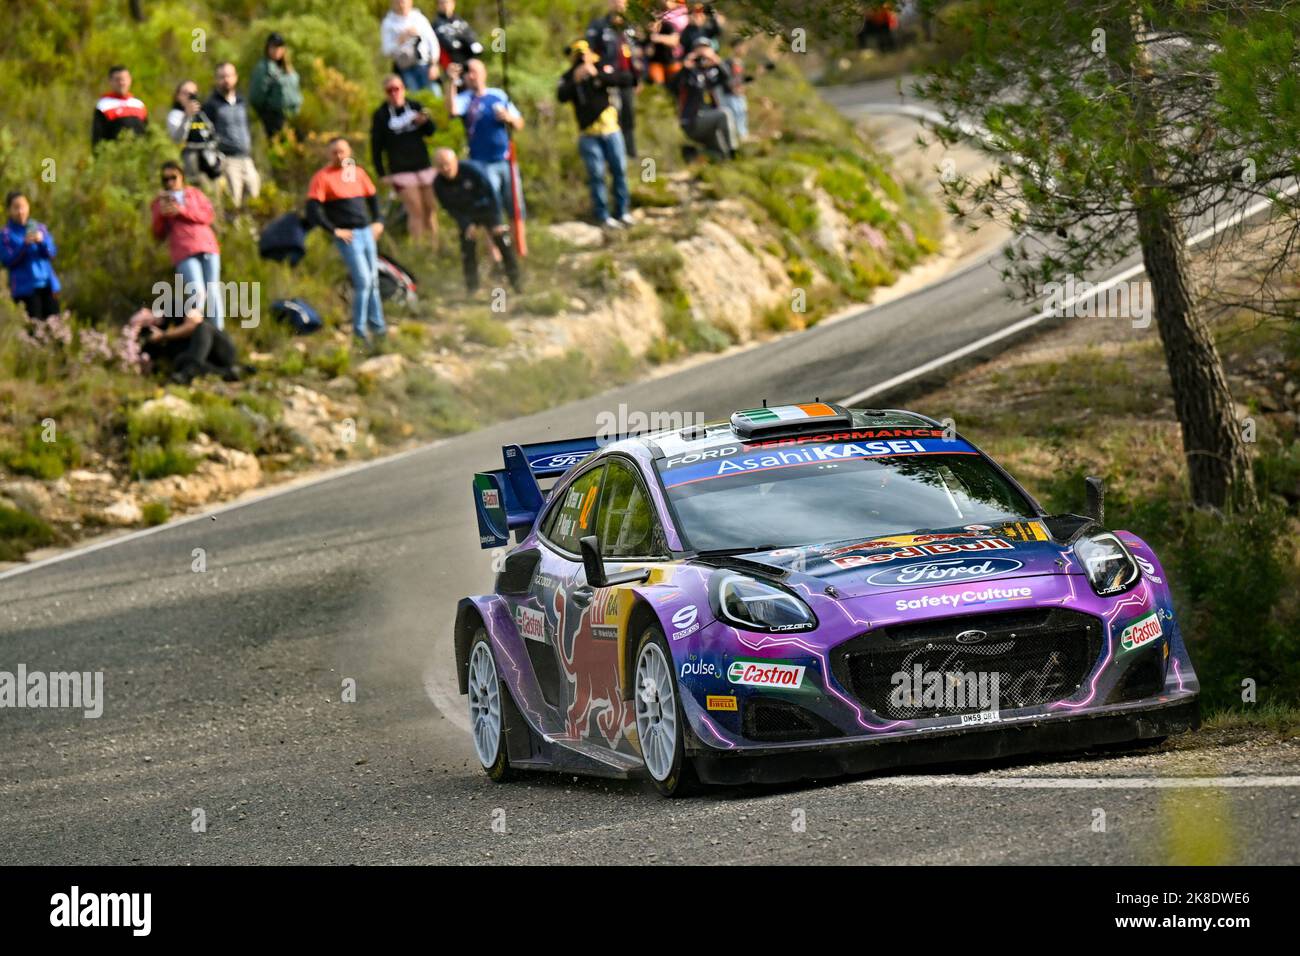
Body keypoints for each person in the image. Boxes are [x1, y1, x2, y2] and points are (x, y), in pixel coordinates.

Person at [305, 138, 387, 346]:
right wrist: (334, 230)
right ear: (328, 155)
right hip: (348, 236)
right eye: (334, 153)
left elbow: (373, 198)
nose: (339, 156)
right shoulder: (322, 178)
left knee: (374, 282)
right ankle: (360, 332)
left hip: (366, 232)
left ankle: (378, 328)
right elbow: (313, 210)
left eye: (342, 151)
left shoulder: (358, 173)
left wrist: (378, 221)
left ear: (349, 152)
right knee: (364, 282)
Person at [558, 40, 634, 229]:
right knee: (596, 175)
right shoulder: (569, 76)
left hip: (611, 130)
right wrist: (575, 80)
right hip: (588, 134)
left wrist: (597, 74)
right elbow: (561, 96)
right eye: (578, 56)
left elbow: (627, 79)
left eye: (584, 54)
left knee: (619, 171)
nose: (582, 60)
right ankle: (602, 216)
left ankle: (622, 212)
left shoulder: (602, 68)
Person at [432, 148, 520, 295]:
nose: (446, 169)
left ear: (455, 161)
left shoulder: (472, 170)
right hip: (466, 215)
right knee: (467, 246)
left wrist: (497, 221)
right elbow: (449, 208)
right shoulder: (438, 184)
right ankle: (472, 288)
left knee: (502, 241)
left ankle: (516, 284)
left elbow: (492, 193)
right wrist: (466, 224)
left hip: (487, 208)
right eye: (441, 166)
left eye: (448, 164)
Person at [150, 162, 224, 330]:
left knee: (213, 293)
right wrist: (161, 214)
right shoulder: (159, 202)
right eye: (165, 179)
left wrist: (182, 211)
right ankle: (194, 332)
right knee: (197, 292)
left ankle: (218, 335)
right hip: (184, 251)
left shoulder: (194, 194)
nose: (169, 182)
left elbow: (208, 215)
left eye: (173, 177)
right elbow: (157, 233)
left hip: (208, 247)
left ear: (181, 176)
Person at [452, 59, 525, 221]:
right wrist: (451, 82)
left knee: (516, 209)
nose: (471, 76)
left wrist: (508, 118)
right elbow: (452, 110)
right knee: (491, 211)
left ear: (484, 73)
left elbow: (519, 123)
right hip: (482, 164)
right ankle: (494, 247)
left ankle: (520, 245)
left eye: (474, 72)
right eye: (468, 73)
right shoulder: (464, 99)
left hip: (506, 160)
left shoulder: (498, 95)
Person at [371, 75, 438, 249]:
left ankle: (434, 249)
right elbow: (376, 147)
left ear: (403, 88)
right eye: (389, 90)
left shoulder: (415, 107)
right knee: (416, 210)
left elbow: (431, 131)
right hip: (401, 170)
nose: (394, 93)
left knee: (431, 209)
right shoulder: (381, 115)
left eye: (397, 88)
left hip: (423, 166)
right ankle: (419, 249)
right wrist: (382, 174)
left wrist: (425, 122)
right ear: (385, 93)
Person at [585, 0, 643, 156]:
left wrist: (639, 78)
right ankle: (615, 155)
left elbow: (637, 54)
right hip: (608, 80)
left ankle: (630, 153)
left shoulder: (631, 27)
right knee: (614, 116)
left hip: (627, 79)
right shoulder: (599, 26)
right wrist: (592, 70)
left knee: (628, 115)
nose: (618, 3)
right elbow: (588, 50)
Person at [204, 62, 261, 209]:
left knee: (254, 198)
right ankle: (234, 231)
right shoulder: (211, 105)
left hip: (246, 158)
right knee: (233, 203)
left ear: (235, 77)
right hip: (228, 161)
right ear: (216, 80)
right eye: (222, 77)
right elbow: (205, 134)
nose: (226, 80)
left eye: (229, 76)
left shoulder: (242, 102)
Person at [671, 37, 739, 160]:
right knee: (725, 114)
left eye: (705, 49)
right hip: (693, 120)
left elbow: (727, 77)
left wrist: (716, 61)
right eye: (699, 49)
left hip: (709, 121)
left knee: (721, 156)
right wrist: (686, 68)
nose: (702, 54)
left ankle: (695, 154)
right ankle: (733, 151)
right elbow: (673, 85)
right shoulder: (689, 73)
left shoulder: (710, 73)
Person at [1, 192, 61, 321]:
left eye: (23, 206)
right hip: (25, 290)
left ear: (28, 207)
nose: (20, 211)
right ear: (9, 210)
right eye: (16, 207)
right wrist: (24, 245)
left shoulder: (39, 228)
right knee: (35, 331)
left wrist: (42, 242)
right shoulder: (6, 234)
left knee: (56, 330)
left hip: (48, 286)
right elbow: (7, 261)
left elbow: (52, 252)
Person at [141, 308, 242, 384]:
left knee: (202, 326)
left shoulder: (173, 307)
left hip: (222, 350)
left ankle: (189, 372)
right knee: (180, 360)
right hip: (209, 362)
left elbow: (194, 322)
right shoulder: (159, 343)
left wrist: (164, 335)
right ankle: (228, 373)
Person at [166, 80, 222, 187]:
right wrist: (187, 116)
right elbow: (178, 139)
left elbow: (213, 135)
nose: (190, 96)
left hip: (209, 163)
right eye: (185, 93)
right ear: (177, 96)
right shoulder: (175, 115)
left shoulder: (203, 114)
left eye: (193, 93)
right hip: (189, 164)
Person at [249, 33, 303, 138]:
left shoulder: (287, 68)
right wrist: (266, 115)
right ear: (267, 48)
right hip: (273, 118)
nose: (276, 50)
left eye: (279, 47)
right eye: (273, 47)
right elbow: (256, 97)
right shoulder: (263, 68)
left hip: (292, 117)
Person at [380, 0, 441, 94]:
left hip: (425, 65)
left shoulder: (419, 18)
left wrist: (434, 64)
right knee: (416, 98)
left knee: (435, 95)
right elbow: (386, 50)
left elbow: (432, 41)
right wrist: (400, 40)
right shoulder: (388, 23)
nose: (401, 3)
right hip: (406, 69)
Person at [432, 0, 483, 93]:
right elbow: (436, 48)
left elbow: (475, 45)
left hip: (468, 64)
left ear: (453, 4)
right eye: (442, 3)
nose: (445, 5)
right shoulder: (435, 26)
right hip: (451, 65)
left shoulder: (461, 22)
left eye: (447, 2)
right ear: (438, 5)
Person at [92, 65, 148, 147]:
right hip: (116, 155)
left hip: (140, 154)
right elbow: (97, 137)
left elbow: (148, 131)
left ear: (130, 80)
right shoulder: (104, 106)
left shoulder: (138, 104)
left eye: (124, 79)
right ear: (110, 81)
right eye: (117, 80)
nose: (122, 83)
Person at [646, 0, 689, 86]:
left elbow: (674, 40)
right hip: (656, 59)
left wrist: (656, 38)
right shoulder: (664, 16)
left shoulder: (677, 20)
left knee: (676, 84)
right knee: (657, 84)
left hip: (673, 59)